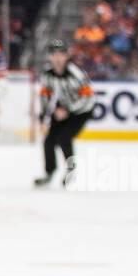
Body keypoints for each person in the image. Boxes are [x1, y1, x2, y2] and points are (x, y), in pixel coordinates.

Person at [34, 39, 94, 188]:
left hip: (82, 111)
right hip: (62, 109)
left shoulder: (76, 73)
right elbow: (45, 97)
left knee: (64, 137)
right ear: (50, 57)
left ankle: (71, 170)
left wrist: (68, 110)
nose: (58, 58)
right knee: (49, 141)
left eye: (61, 54)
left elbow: (88, 98)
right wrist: (43, 117)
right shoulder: (48, 75)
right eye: (54, 54)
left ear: (67, 56)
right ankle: (49, 172)